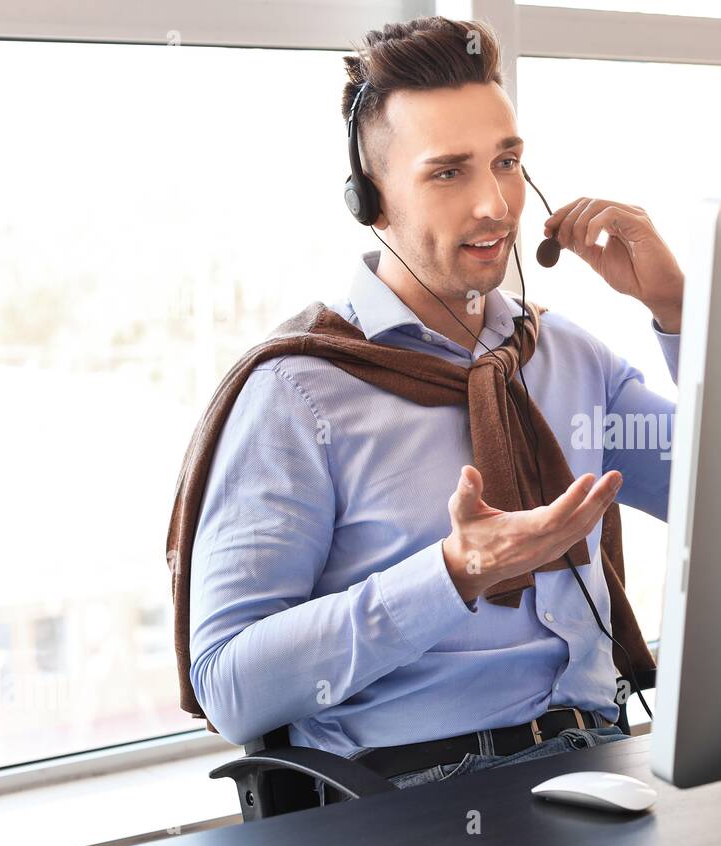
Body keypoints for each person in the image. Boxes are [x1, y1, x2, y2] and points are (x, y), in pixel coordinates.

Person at [187, 16, 685, 794]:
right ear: (372, 200)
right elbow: (228, 685)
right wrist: (452, 575)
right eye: (448, 172)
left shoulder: (569, 358)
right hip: (411, 796)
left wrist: (679, 309)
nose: (496, 204)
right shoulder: (296, 392)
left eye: (508, 162)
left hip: (603, 770)